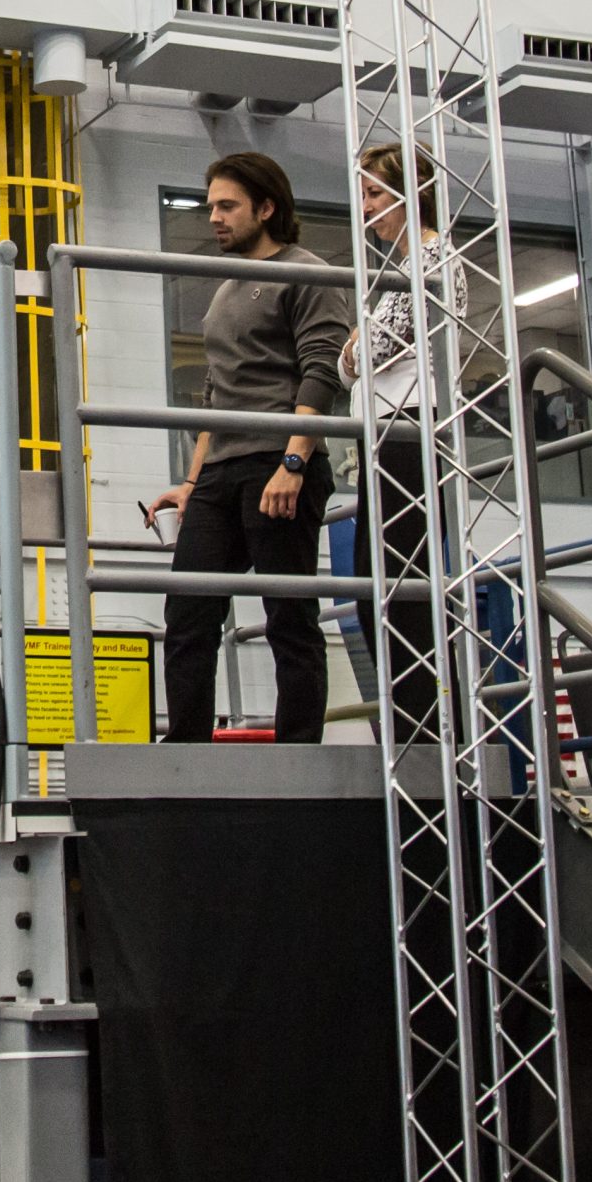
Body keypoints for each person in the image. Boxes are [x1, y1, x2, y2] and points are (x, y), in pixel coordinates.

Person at [151, 152, 353, 742]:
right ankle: (186, 747)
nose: (213, 217)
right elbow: (214, 396)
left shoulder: (306, 271)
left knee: (289, 617)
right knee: (188, 613)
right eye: (210, 205)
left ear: (266, 208)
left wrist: (295, 461)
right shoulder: (227, 288)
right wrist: (191, 483)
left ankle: (299, 758)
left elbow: (322, 372)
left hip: (279, 463)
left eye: (226, 206)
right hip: (221, 473)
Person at [342, 141, 466, 745]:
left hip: (411, 429)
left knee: (402, 590)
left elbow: (372, 351)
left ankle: (429, 729)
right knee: (379, 588)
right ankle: (415, 723)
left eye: (374, 193)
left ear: (411, 190)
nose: (366, 208)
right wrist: (357, 351)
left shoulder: (434, 255)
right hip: (387, 432)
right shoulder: (394, 272)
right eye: (363, 194)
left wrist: (357, 348)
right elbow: (355, 359)